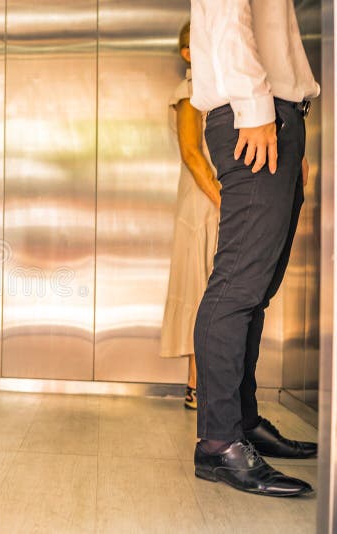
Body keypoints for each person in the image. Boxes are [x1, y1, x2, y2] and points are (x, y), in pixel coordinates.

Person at [190, 0, 318, 497]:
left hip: (276, 117)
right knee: (237, 287)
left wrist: (291, 139)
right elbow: (227, 16)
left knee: (255, 290)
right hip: (255, 114)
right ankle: (219, 443)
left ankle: (242, 422)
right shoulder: (253, 109)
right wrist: (256, 111)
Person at [160, 22, 220, 411]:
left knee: (213, 289)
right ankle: (197, 384)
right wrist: (223, 201)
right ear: (187, 53)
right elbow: (192, 154)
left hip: (212, 199)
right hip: (204, 202)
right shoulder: (189, 93)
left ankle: (207, 383)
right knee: (200, 288)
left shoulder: (217, 91)